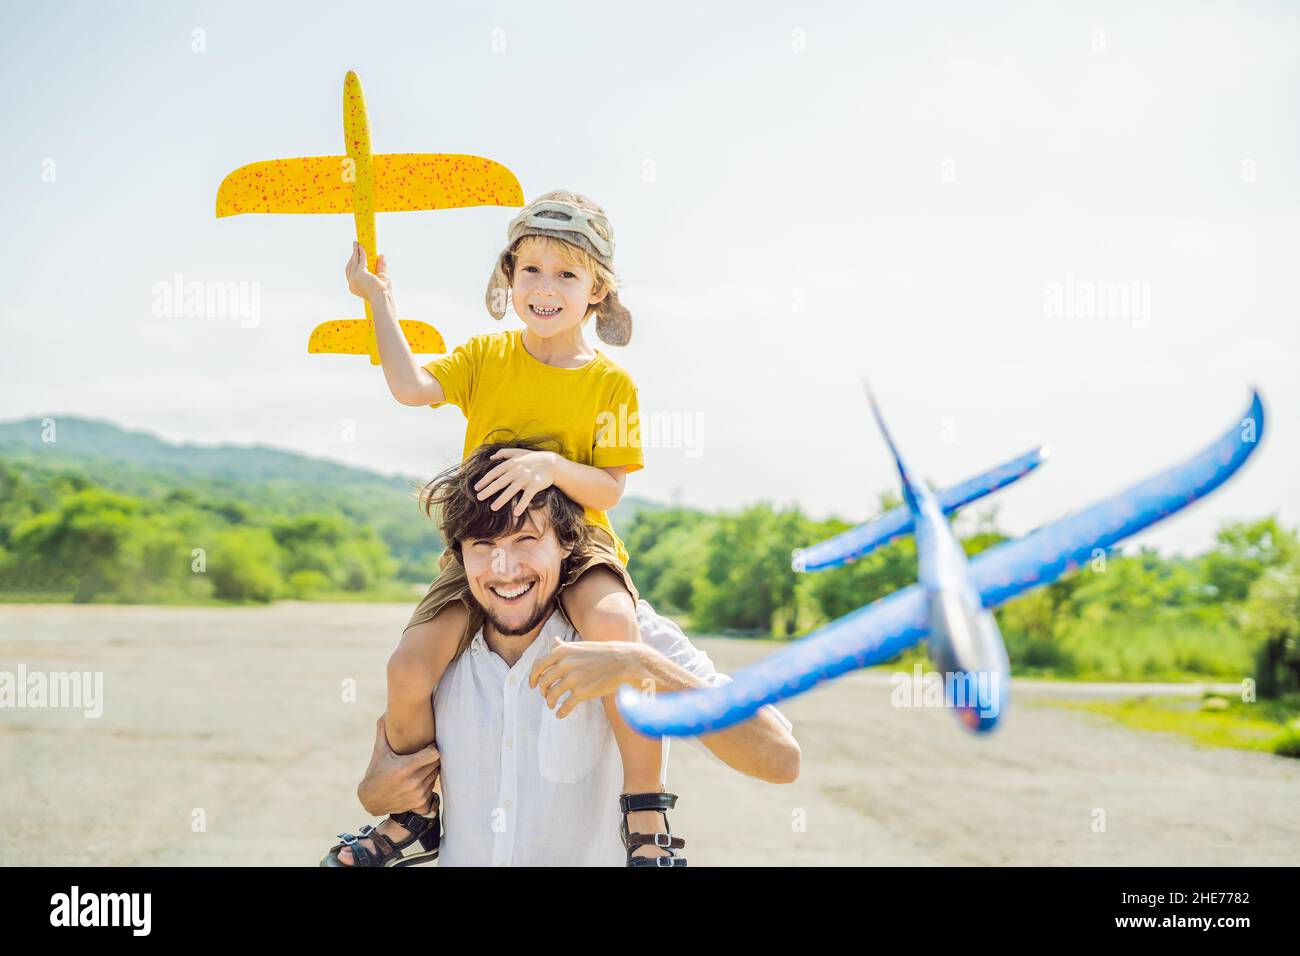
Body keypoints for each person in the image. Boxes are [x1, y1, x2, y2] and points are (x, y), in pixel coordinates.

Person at [324, 191, 680, 865]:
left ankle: (644, 809)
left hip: (578, 545)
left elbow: (609, 487)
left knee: (614, 633)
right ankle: (415, 813)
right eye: (531, 271)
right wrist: (377, 298)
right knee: (408, 664)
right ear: (507, 277)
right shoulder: (486, 357)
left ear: (597, 288)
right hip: (483, 550)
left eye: (567, 275)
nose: (545, 290)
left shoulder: (612, 385)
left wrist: (550, 466)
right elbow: (411, 388)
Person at [336, 442, 800, 866]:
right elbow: (387, 785)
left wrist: (643, 666)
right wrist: (376, 794)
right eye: (484, 546)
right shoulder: (435, 648)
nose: (505, 569)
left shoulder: (625, 634)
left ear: (566, 543)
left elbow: (780, 760)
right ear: (459, 557)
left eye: (527, 540)